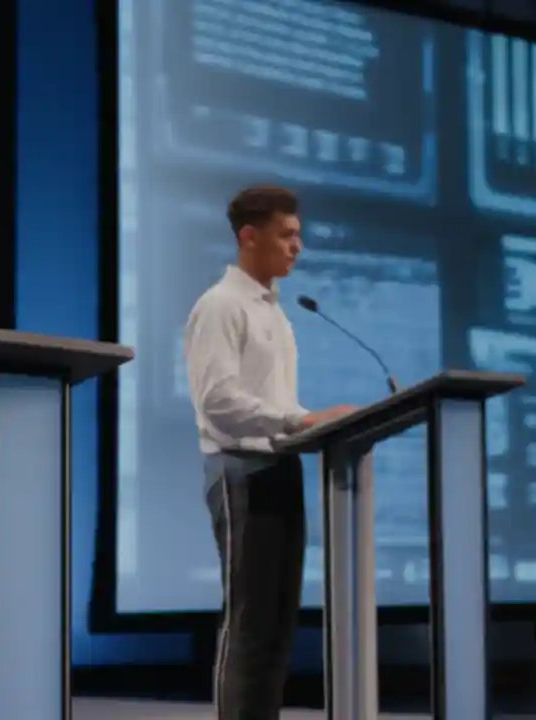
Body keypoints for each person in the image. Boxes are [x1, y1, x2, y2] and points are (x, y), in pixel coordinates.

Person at [183, 185, 356, 718]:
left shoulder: (276, 312)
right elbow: (218, 401)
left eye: (298, 236)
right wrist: (301, 419)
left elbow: (275, 402)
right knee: (248, 624)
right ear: (248, 237)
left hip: (280, 467)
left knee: (278, 625)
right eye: (286, 235)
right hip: (240, 471)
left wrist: (308, 422)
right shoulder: (221, 306)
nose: (296, 247)